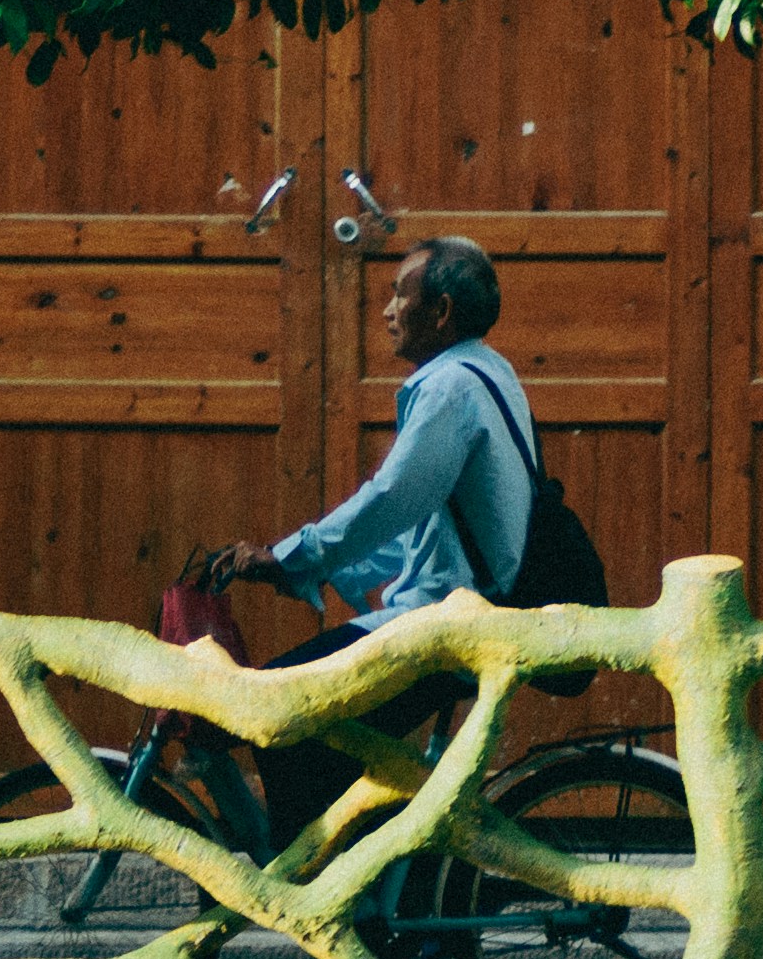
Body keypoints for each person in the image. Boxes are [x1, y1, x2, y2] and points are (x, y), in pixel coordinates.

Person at [188, 238, 532, 848]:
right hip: (457, 617)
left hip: (441, 628)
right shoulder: (489, 371)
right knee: (312, 738)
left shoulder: (449, 387)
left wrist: (297, 555)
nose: (388, 310)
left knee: (278, 713)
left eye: (402, 294)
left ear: (442, 311)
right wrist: (297, 566)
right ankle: (351, 884)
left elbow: (389, 501)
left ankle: (329, 904)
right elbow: (420, 525)